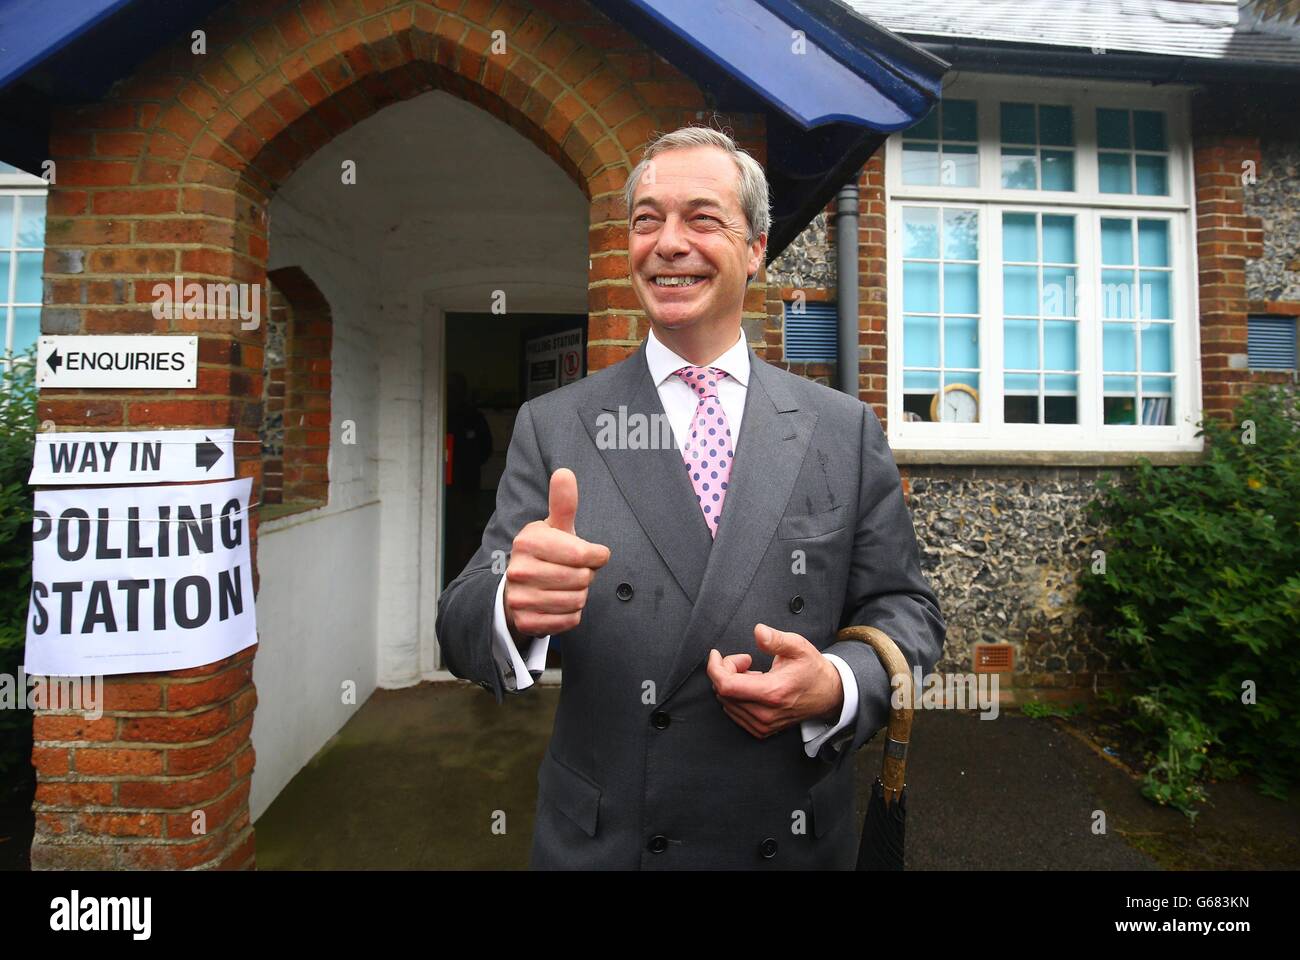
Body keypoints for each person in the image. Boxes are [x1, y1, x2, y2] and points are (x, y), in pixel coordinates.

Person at [435, 126, 945, 869]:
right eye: (646, 220)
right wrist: (509, 602)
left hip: (792, 837)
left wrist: (836, 684)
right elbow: (457, 625)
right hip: (610, 845)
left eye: (702, 219)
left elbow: (908, 612)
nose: (667, 243)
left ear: (755, 249)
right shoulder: (556, 426)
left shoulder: (842, 429)